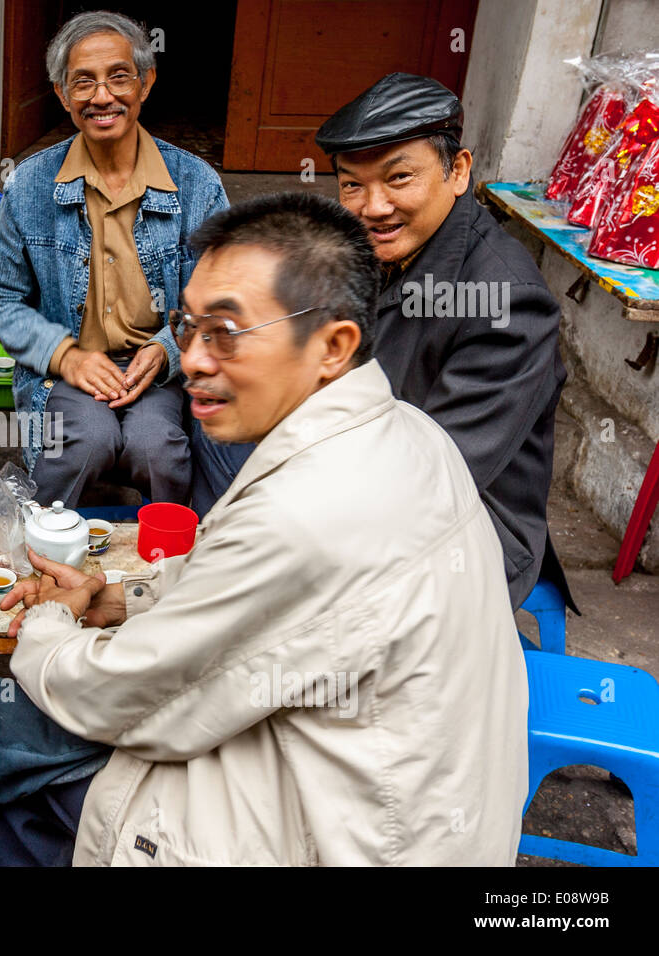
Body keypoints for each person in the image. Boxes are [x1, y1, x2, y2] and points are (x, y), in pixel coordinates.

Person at [0, 193, 528, 866]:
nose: (191, 359)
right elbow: (258, 592)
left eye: (225, 332)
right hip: (410, 802)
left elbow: (112, 696)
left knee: (3, 727)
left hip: (359, 838)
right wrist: (118, 599)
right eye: (186, 327)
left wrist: (49, 626)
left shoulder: (307, 512)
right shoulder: (407, 429)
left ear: (333, 346)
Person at [191, 72, 571, 612]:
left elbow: (437, 479)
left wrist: (291, 517)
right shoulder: (373, 249)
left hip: (463, 525)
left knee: (267, 583)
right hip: (358, 468)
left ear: (457, 171)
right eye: (352, 184)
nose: (372, 206)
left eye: (399, 178)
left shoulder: (505, 300)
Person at [0, 11, 227, 507]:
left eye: (118, 76)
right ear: (62, 95)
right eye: (83, 82)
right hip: (66, 369)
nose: (102, 97)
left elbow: (222, 301)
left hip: (156, 370)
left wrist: (167, 351)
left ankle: (172, 565)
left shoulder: (197, 184)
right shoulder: (31, 183)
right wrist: (66, 355)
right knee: (84, 442)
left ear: (146, 82)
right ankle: (43, 556)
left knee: (158, 449)